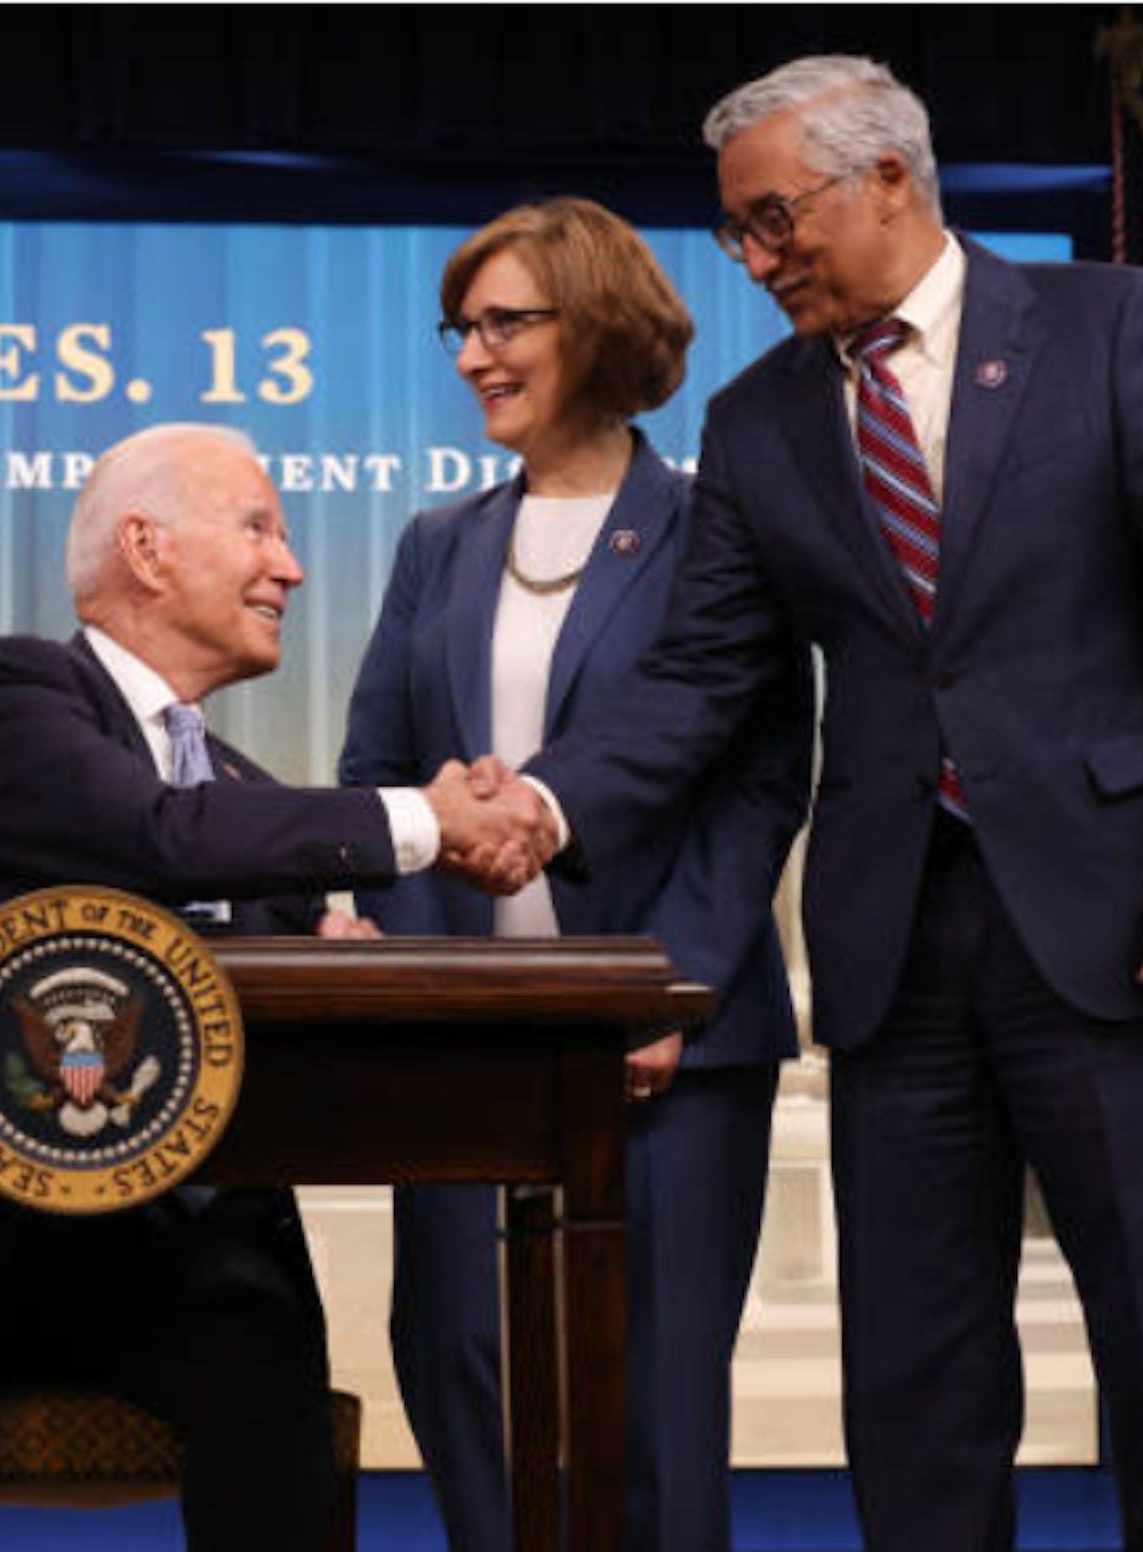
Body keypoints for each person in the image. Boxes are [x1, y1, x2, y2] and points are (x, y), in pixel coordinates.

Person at [492, 55, 1143, 1552]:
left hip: (1119, 923)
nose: (760, 257)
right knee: (915, 1379)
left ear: (890, 180)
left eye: (777, 218)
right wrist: (542, 800)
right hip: (892, 951)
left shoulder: (1109, 327)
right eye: (739, 232)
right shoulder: (760, 416)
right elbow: (699, 682)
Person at [0, 422, 553, 1552]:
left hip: (170, 1237)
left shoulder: (240, 785)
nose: (291, 567)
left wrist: (348, 913)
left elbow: (252, 848)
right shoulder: (12, 691)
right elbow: (158, 834)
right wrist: (423, 816)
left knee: (270, 1398)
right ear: (146, 550)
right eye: (258, 528)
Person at [338, 197, 811, 1552]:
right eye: (462, 330)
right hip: (459, 1042)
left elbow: (761, 780)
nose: (476, 354)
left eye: (507, 323)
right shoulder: (438, 541)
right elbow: (383, 769)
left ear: (595, 324)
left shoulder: (718, 527)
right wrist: (391, 955)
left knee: (652, 1394)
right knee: (460, 1364)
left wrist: (674, 989)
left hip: (666, 1041)